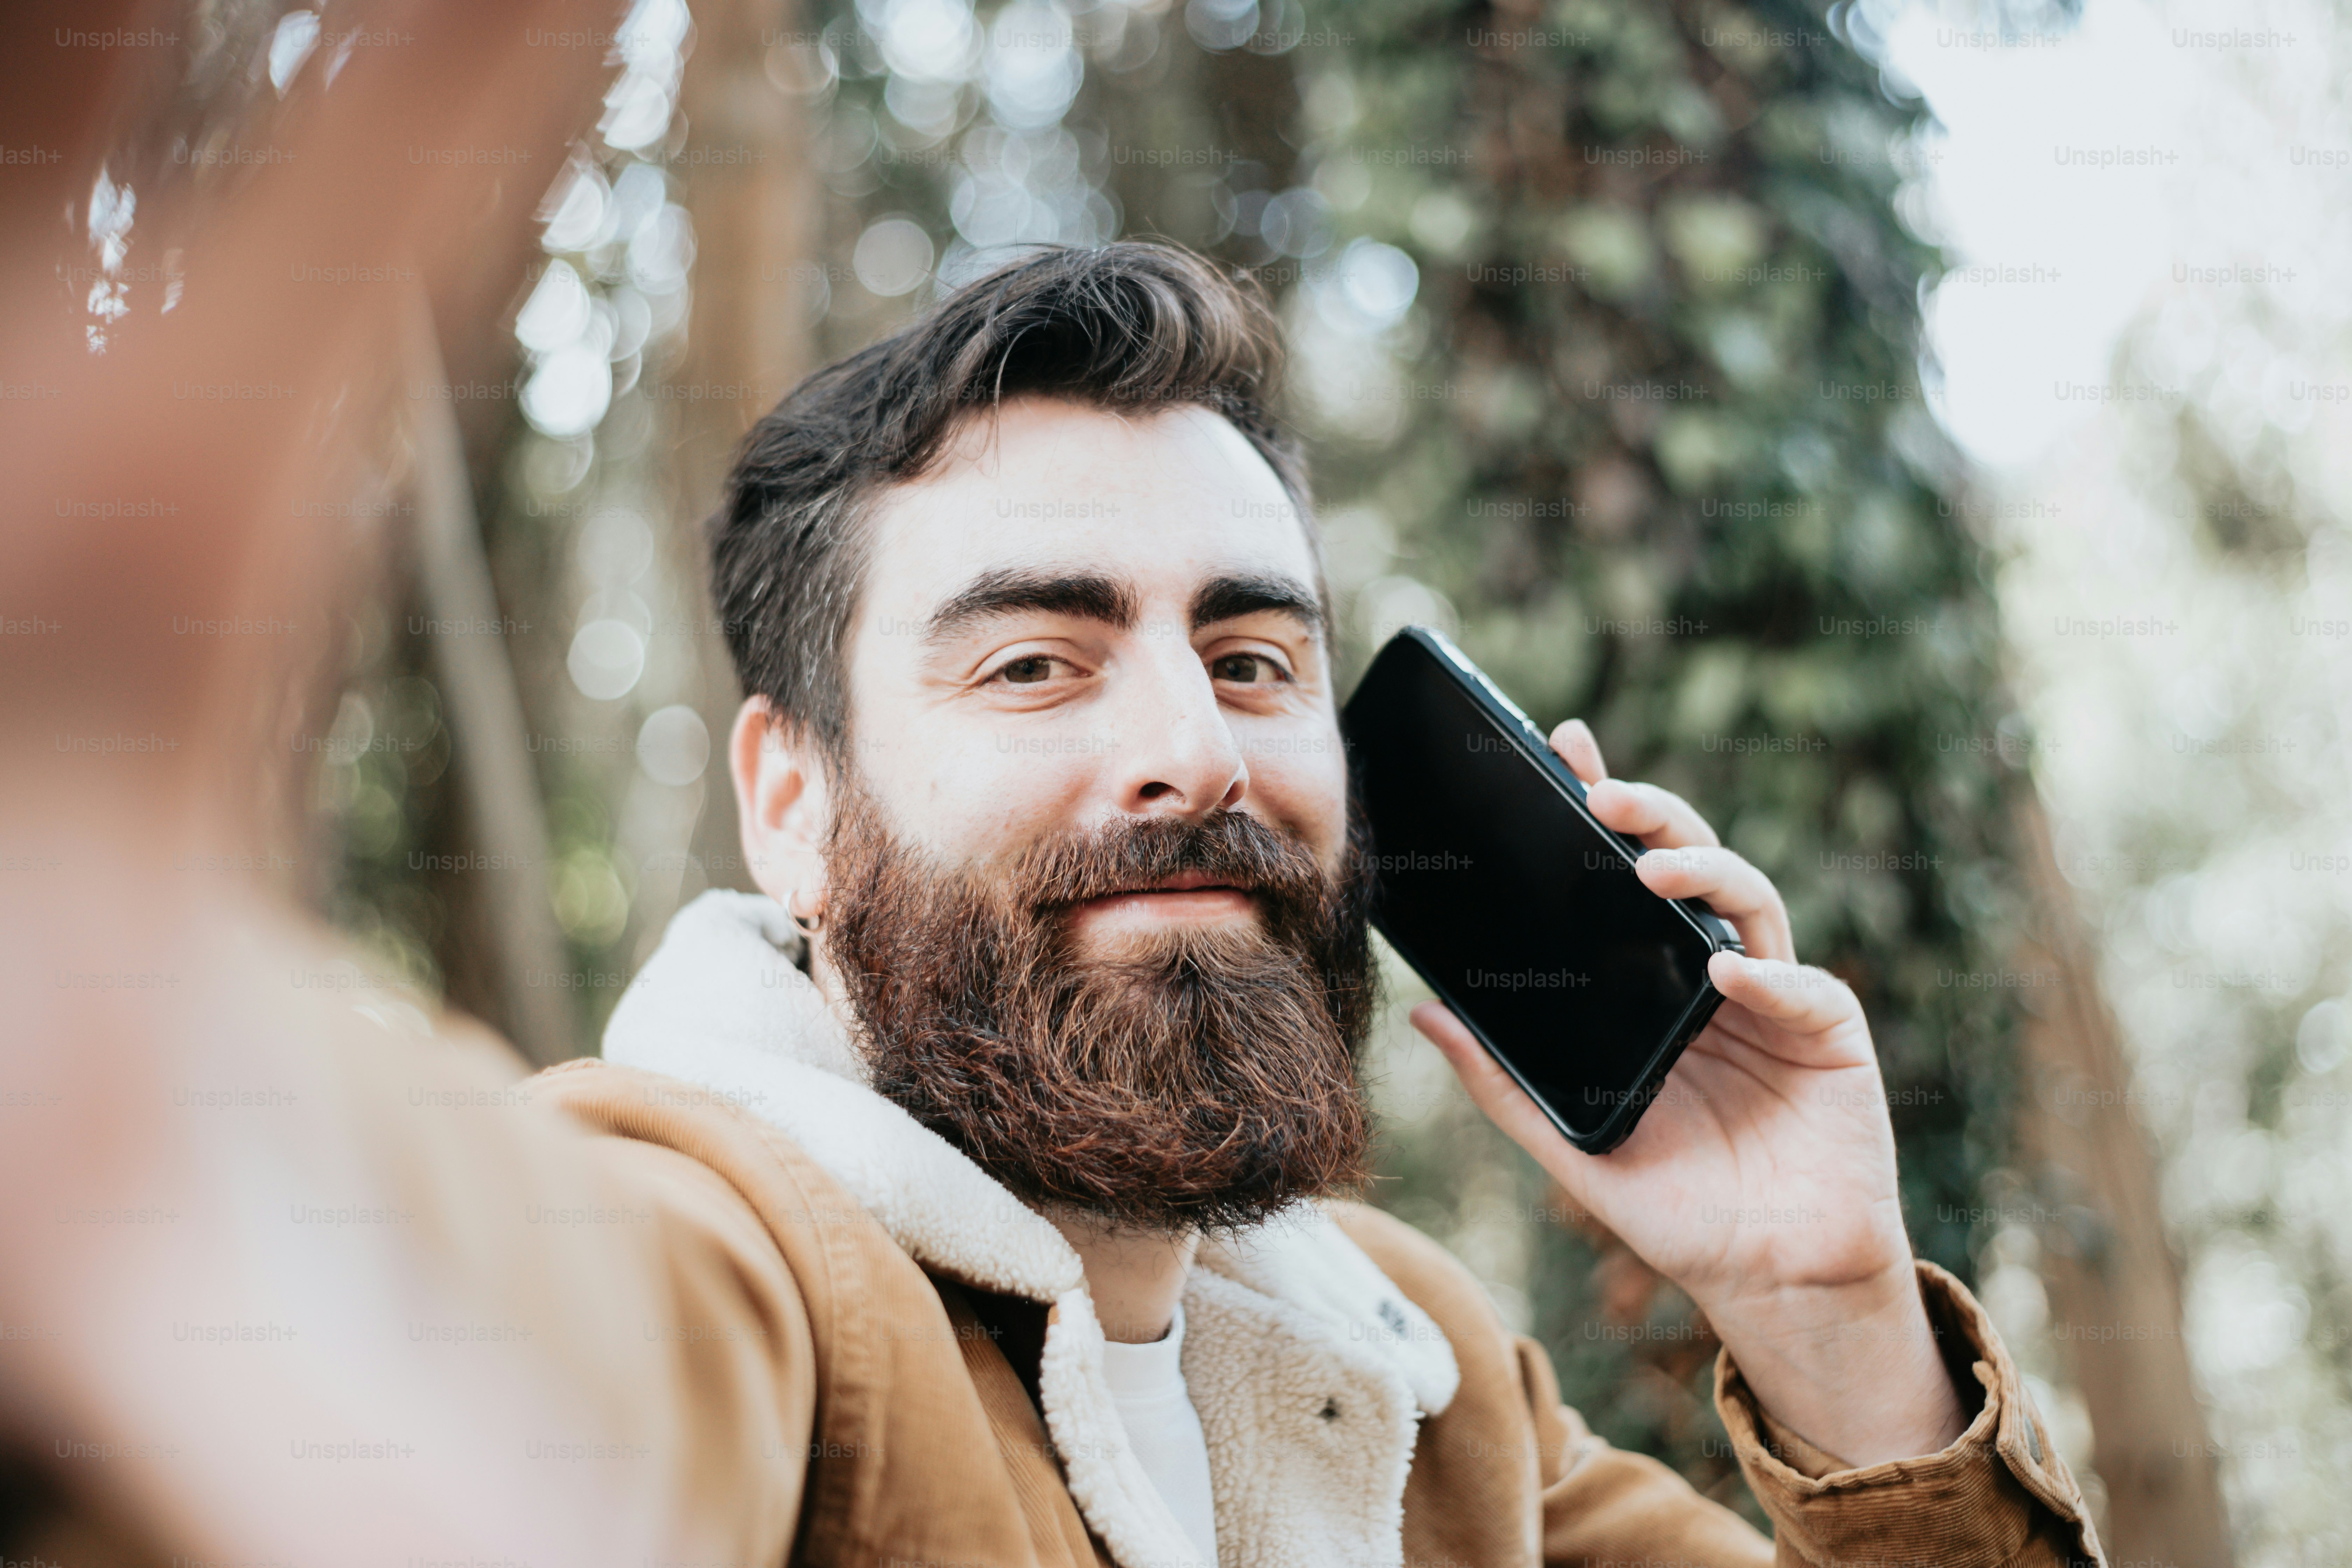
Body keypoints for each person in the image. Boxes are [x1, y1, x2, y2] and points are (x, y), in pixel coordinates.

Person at [556, 240, 2105, 1566]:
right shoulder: (679, 1255)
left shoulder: (1425, 1371)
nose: (1199, 753)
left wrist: (1826, 1313)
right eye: (1034, 664)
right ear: (792, 804)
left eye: (1251, 662)